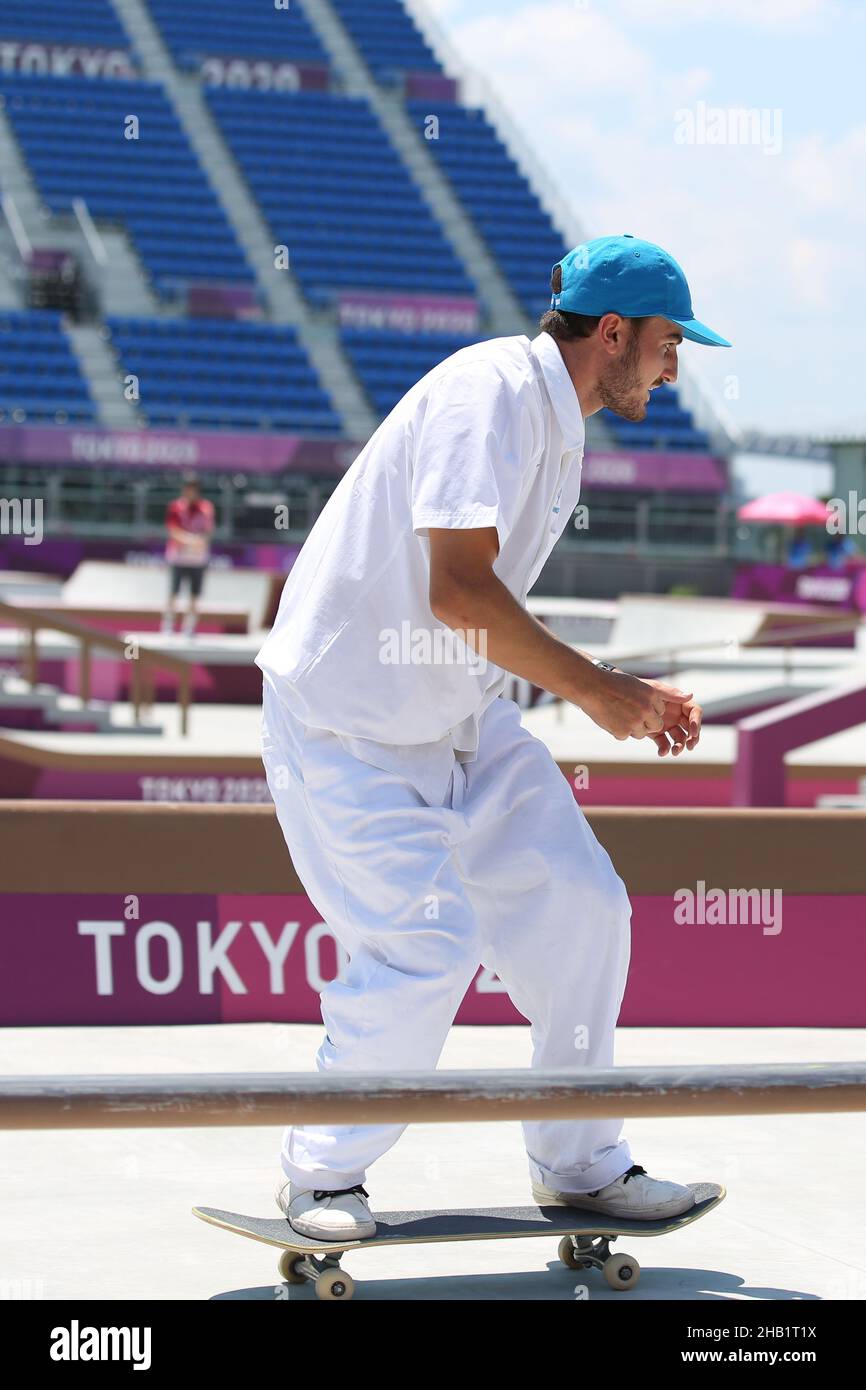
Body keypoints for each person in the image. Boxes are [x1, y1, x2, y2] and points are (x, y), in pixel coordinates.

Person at [256, 234, 731, 1243]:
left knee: (582, 904)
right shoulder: (491, 393)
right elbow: (457, 587)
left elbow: (473, 607)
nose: (672, 364)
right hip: (347, 724)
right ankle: (318, 1175)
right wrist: (599, 692)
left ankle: (579, 1161)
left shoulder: (557, 428)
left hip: (459, 717)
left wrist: (612, 695)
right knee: (427, 945)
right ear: (611, 332)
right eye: (664, 343)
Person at [161, 472, 214, 636]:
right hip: (179, 557)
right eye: (188, 488)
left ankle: (189, 627)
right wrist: (191, 541)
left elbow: (208, 531)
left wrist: (199, 542)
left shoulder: (205, 508)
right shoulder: (176, 507)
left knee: (194, 594)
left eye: (194, 488)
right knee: (173, 592)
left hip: (197, 559)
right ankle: (168, 625)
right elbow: (173, 531)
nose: (191, 492)